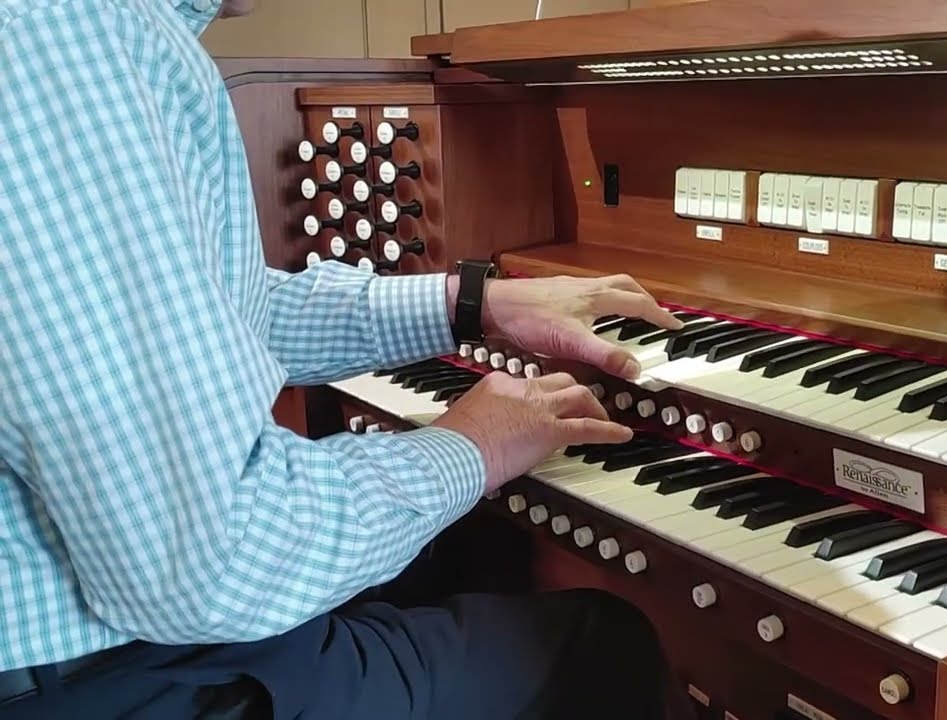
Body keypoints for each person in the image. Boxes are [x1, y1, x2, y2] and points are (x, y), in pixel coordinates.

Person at [0, 0, 690, 717]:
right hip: (100, 675)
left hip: (109, 636)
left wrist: (473, 305)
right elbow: (211, 566)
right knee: (604, 649)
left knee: (453, 556)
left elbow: (216, 316)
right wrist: (472, 447)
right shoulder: (68, 33)